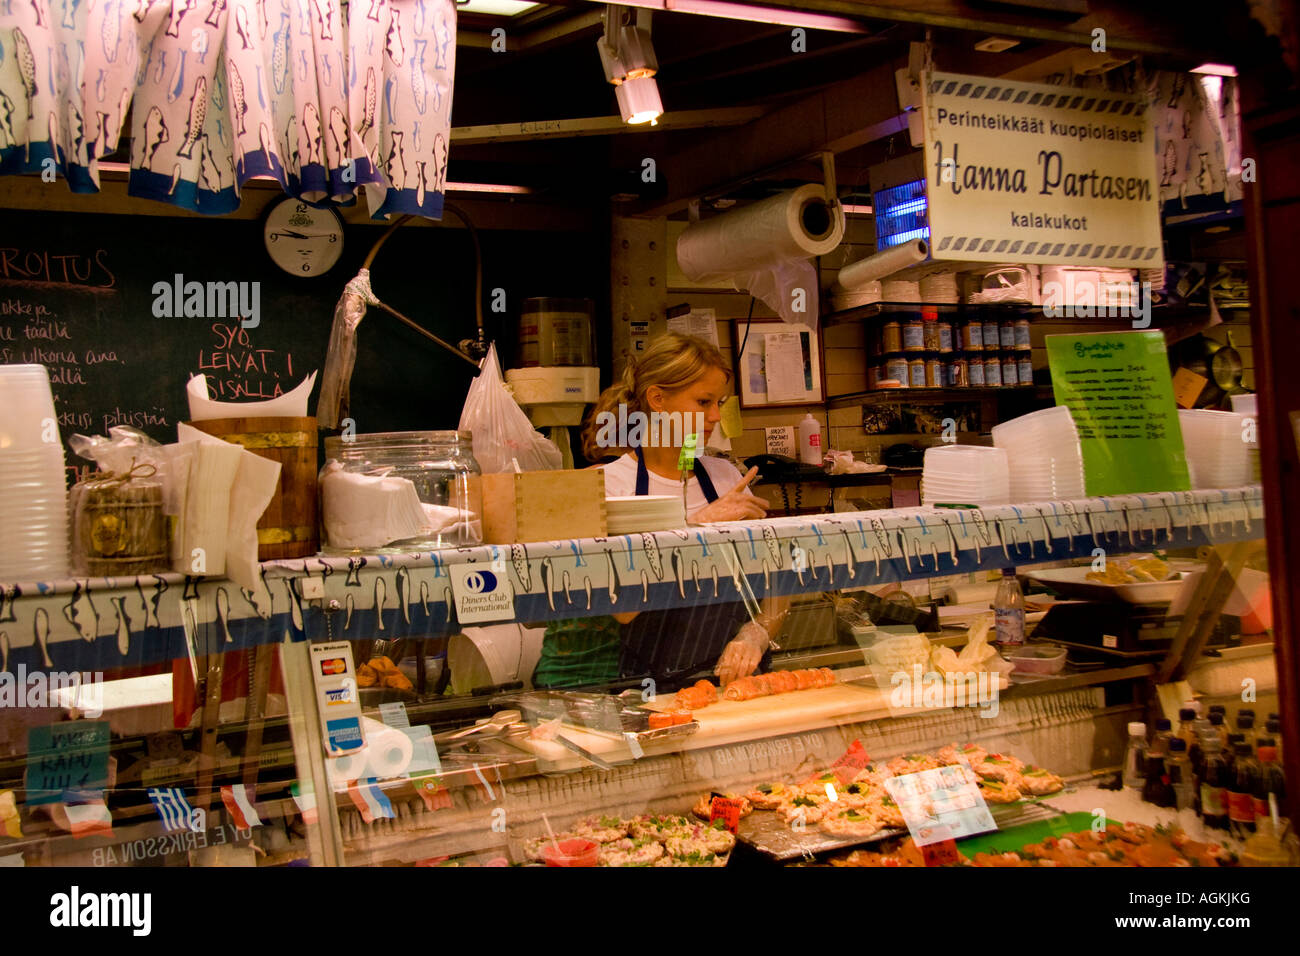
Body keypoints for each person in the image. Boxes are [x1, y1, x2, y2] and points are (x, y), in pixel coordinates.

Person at [535, 331, 790, 692]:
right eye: (703, 402)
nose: (715, 416)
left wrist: (756, 633)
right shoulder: (604, 486)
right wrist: (697, 526)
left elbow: (777, 580)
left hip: (727, 685)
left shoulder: (726, 477)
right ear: (657, 399)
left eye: (719, 402)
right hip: (643, 692)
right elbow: (622, 608)